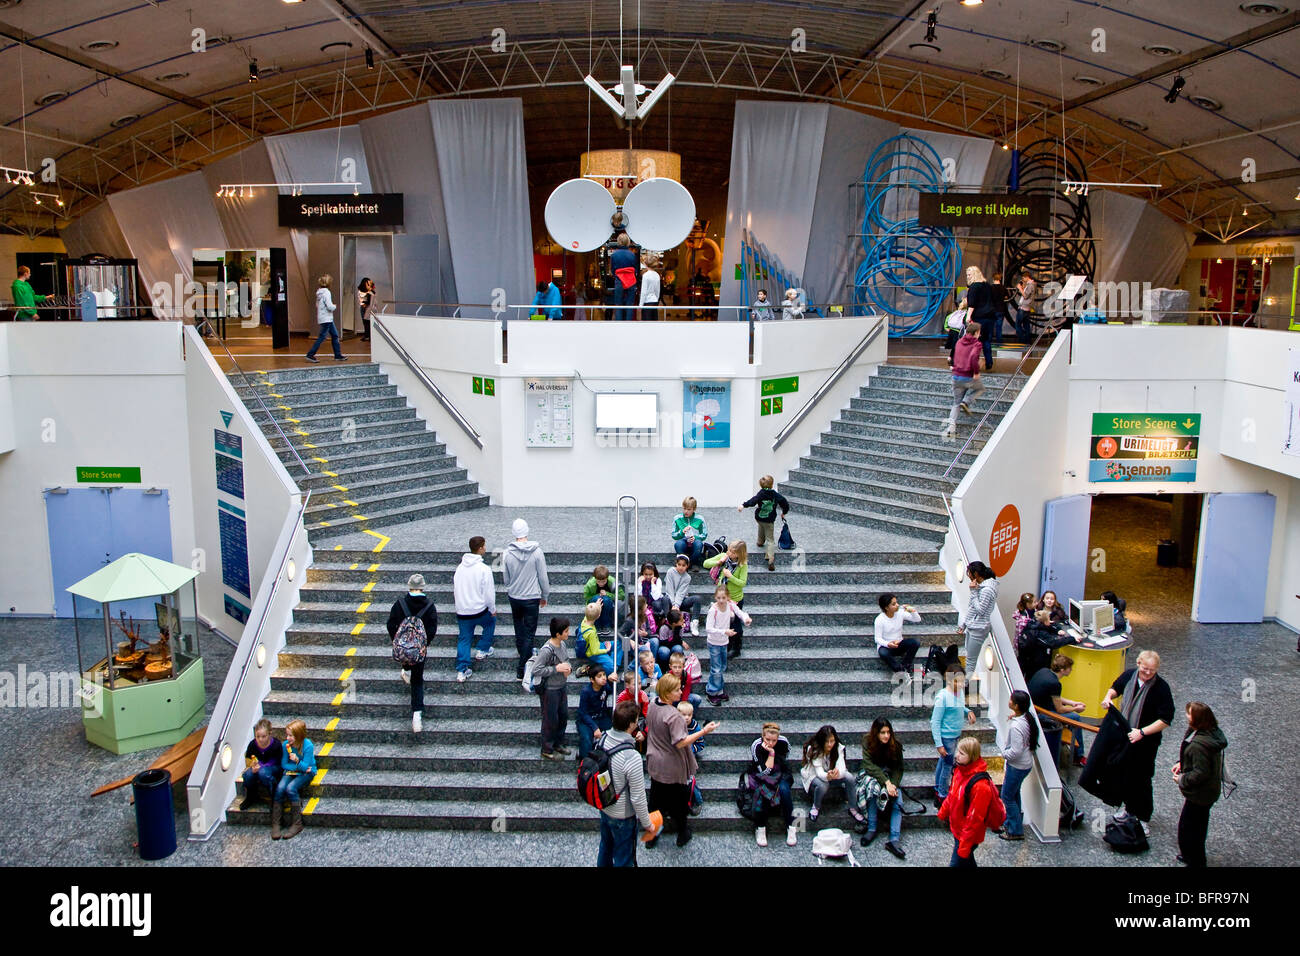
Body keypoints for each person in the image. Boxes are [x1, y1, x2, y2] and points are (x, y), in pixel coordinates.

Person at [1101, 650, 1174, 833]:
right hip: (1126, 735)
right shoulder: (1130, 675)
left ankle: (1142, 817)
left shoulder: (1161, 688)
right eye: (1145, 669)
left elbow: (1165, 719)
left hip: (1146, 742)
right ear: (1138, 663)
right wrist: (1108, 697)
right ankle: (1128, 809)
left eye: (1152, 670)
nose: (1148, 673)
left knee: (1142, 778)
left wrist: (1142, 732)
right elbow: (1115, 687)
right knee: (1125, 774)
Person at [645, 674, 718, 848]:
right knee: (678, 803)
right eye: (677, 689)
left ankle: (652, 834)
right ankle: (683, 833)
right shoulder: (673, 715)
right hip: (671, 765)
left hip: (655, 761)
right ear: (668, 693)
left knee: (655, 801)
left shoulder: (653, 705)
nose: (680, 692)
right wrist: (704, 732)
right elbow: (680, 742)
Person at [596, 700, 657, 866]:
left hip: (605, 805)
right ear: (631, 725)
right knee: (624, 858)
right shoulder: (632, 756)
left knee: (605, 847)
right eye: (637, 720)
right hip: (622, 814)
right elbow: (637, 796)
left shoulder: (603, 739)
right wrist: (648, 824)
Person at [1173, 701, 1227, 867]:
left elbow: (1200, 773)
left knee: (1189, 829)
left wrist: (1182, 779)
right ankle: (1192, 857)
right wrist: (1183, 763)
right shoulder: (1210, 734)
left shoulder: (1199, 745)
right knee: (1197, 825)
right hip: (1208, 792)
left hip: (1199, 794)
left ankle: (1195, 860)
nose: (1186, 716)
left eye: (1189, 714)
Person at [386, 572, 438, 732]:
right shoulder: (429, 605)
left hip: (403, 647)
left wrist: (398, 641)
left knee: (406, 659)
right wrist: (424, 644)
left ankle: (405, 669)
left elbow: (390, 624)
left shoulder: (400, 603)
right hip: (419, 649)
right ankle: (417, 713)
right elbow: (432, 628)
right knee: (418, 679)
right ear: (422, 587)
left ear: (409, 586)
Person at [937, 737, 1001, 867]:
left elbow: (975, 820)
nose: (956, 755)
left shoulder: (981, 786)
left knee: (958, 862)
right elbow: (952, 795)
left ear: (971, 756)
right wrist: (943, 811)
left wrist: (965, 846)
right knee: (967, 862)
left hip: (968, 836)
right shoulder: (960, 771)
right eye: (958, 751)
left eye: (962, 753)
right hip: (959, 830)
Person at [503, 518, 549, 680]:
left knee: (519, 627)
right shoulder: (537, 552)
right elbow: (543, 577)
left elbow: (506, 578)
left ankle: (523, 653)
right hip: (531, 597)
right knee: (529, 632)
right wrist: (545, 595)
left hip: (514, 596)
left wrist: (510, 587)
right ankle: (522, 667)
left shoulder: (507, 553)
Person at [1029, 653, 1087, 767]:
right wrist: (1076, 708)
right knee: (1076, 718)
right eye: (1069, 668)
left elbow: (1055, 697)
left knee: (1072, 715)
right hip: (1041, 713)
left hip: (1035, 707)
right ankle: (1078, 756)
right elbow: (1059, 709)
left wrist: (1072, 703)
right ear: (1062, 670)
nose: (1071, 670)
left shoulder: (1045, 671)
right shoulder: (1055, 683)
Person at [799, 725, 865, 826]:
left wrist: (836, 773)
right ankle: (816, 806)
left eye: (832, 741)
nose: (830, 744)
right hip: (814, 776)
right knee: (823, 785)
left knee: (850, 778)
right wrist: (828, 776)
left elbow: (842, 767)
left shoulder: (838, 747)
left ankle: (853, 808)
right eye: (827, 741)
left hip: (832, 774)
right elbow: (819, 772)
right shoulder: (813, 749)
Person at [860, 717, 907, 857]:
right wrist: (886, 782)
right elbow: (869, 765)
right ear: (876, 733)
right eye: (882, 732)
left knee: (898, 801)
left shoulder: (895, 745)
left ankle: (894, 839)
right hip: (872, 774)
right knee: (873, 791)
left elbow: (899, 769)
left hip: (890, 777)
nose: (886, 736)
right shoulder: (867, 741)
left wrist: (893, 785)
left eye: (888, 732)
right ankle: (872, 828)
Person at [452, 536, 496, 683]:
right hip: (479, 610)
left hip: (463, 611)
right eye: (484, 546)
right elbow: (489, 593)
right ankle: (482, 649)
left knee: (464, 639)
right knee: (490, 623)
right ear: (481, 548)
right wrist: (492, 608)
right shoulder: (484, 569)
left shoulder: (460, 568)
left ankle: (462, 670)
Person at [931, 666, 976, 807]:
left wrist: (968, 711)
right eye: (957, 682)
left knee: (943, 762)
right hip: (947, 737)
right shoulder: (942, 697)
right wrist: (939, 744)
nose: (961, 685)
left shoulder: (960, 692)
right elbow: (935, 721)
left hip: (955, 735)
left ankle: (937, 789)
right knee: (947, 766)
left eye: (962, 682)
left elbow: (959, 705)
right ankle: (942, 795)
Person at [748, 722, 798, 847]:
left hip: (780, 772)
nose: (771, 743)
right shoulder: (756, 746)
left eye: (774, 740)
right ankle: (761, 828)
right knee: (764, 792)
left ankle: (791, 827)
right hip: (762, 774)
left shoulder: (783, 742)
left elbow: (785, 758)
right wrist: (771, 753)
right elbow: (764, 771)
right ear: (762, 737)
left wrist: (774, 755)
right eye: (767, 739)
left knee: (784, 790)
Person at [999, 690, 1040, 841]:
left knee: (1007, 796)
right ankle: (1012, 823)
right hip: (1025, 764)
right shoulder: (1027, 719)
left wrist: (1004, 754)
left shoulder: (1016, 727)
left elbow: (1015, 751)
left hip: (1017, 765)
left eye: (1011, 700)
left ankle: (1015, 830)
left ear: (1016, 705)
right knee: (1014, 794)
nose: (1009, 701)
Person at [534, 617, 573, 760]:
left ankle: (558, 743)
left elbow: (566, 660)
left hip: (561, 686)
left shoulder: (562, 645)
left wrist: (568, 668)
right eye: (566, 631)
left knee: (563, 716)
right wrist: (556, 669)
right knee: (550, 719)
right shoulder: (547, 650)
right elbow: (536, 669)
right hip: (550, 689)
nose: (568, 633)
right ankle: (547, 748)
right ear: (558, 633)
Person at [705, 584, 750, 705]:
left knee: (722, 667)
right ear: (715, 597)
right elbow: (708, 628)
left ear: (727, 597)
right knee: (716, 669)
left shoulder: (730, 606)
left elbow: (740, 613)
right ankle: (711, 692)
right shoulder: (713, 610)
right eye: (718, 598)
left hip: (724, 642)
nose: (721, 600)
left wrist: (746, 619)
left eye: (723, 598)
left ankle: (718, 690)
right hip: (714, 642)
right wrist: (724, 631)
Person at [703, 540, 749, 658]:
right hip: (722, 597)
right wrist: (719, 561)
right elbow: (706, 563)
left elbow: (742, 583)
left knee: (735, 623)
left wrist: (731, 577)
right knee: (724, 622)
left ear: (739, 554)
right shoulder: (724, 557)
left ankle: (736, 647)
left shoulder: (742, 566)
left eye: (732, 552)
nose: (729, 553)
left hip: (735, 599)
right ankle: (727, 645)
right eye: (729, 550)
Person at [273, 719, 316, 840]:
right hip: (294, 771)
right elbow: (284, 764)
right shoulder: (285, 745)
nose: (288, 738)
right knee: (280, 788)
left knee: (291, 788)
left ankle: (297, 823)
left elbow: (308, 766)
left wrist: (297, 761)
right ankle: (276, 823)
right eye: (287, 735)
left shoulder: (308, 746)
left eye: (291, 735)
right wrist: (298, 766)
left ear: (298, 735)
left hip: (308, 772)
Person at [738, 475, 790, 572]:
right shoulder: (775, 495)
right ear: (772, 484)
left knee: (761, 527)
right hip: (769, 520)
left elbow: (753, 501)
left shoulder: (761, 494)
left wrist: (743, 505)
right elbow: (784, 502)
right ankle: (770, 559)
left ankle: (760, 541)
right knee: (770, 540)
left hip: (759, 518)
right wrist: (784, 512)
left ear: (761, 485)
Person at [942, 322, 985, 439]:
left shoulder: (959, 341)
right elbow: (973, 358)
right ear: (976, 333)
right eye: (979, 332)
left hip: (956, 376)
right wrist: (976, 372)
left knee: (956, 403)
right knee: (980, 389)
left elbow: (955, 355)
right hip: (968, 376)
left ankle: (951, 427)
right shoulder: (977, 344)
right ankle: (966, 401)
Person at [957, 560, 998, 680]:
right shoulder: (981, 587)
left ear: (975, 574)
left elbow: (981, 610)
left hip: (978, 628)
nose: (968, 576)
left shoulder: (987, 590)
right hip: (972, 626)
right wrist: (964, 625)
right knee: (969, 657)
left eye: (969, 573)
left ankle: (965, 684)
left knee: (971, 661)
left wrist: (974, 592)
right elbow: (972, 608)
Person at [1018, 608, 1077, 680]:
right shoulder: (1039, 633)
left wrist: (1058, 630)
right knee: (1033, 678)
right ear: (1045, 622)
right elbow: (1053, 643)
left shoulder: (1033, 623)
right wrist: (1072, 639)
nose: (1050, 621)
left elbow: (1051, 625)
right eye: (1048, 619)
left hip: (1026, 658)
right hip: (1034, 663)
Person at [959, 266, 998, 370]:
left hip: (978, 317)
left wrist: (968, 317)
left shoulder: (974, 286)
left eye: (969, 275)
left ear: (974, 275)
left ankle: (972, 363)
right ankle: (989, 362)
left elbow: (972, 304)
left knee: (974, 341)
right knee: (986, 341)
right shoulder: (988, 286)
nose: (967, 277)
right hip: (990, 317)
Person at [240, 718, 283, 809]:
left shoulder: (276, 745)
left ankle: (274, 797)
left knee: (263, 773)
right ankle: (251, 796)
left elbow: (279, 762)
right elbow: (248, 760)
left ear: (269, 734)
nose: (260, 739)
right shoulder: (252, 745)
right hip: (258, 767)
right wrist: (252, 766)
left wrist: (263, 767)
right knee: (247, 775)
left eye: (263, 736)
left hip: (273, 767)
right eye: (258, 736)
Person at [874, 592, 921, 675]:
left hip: (899, 643)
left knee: (915, 642)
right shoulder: (880, 619)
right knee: (883, 653)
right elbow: (877, 639)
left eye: (896, 602)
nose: (897, 605)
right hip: (887, 646)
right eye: (894, 604)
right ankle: (899, 670)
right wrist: (888, 644)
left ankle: (906, 665)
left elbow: (917, 619)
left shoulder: (900, 613)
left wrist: (913, 611)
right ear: (886, 608)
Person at [576, 665, 613, 761]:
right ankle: (585, 763)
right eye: (599, 676)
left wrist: (610, 680)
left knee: (611, 735)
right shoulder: (586, 692)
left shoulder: (605, 687)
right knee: (586, 738)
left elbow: (611, 688)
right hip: (586, 719)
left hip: (602, 717)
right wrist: (594, 727)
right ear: (592, 680)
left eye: (604, 675)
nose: (603, 678)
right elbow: (583, 713)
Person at [305, 274, 345, 362]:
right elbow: (329, 306)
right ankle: (310, 354)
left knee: (334, 335)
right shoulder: (327, 292)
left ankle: (337, 355)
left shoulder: (319, 293)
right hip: (327, 318)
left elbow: (317, 305)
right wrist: (335, 306)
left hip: (323, 318)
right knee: (323, 337)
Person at [576, 601, 616, 678]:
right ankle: (590, 669)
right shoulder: (591, 633)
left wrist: (597, 606)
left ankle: (612, 662)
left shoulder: (585, 620)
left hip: (597, 645)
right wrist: (607, 650)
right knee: (611, 667)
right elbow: (595, 651)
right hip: (593, 653)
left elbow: (590, 612)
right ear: (598, 616)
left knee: (618, 643)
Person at [664, 554, 699, 637]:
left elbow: (681, 592)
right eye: (679, 564)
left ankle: (694, 622)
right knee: (664, 599)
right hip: (670, 599)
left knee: (697, 599)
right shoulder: (670, 571)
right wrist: (673, 604)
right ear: (676, 564)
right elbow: (670, 589)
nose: (681, 567)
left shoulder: (687, 577)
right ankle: (667, 620)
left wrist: (676, 605)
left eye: (683, 565)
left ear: (687, 566)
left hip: (681, 601)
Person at [582, 564, 625, 633]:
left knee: (606, 600)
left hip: (609, 604)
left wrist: (607, 594)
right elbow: (587, 597)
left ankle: (606, 625)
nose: (601, 584)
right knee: (598, 598)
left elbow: (622, 596)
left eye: (604, 581)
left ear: (607, 578)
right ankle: (597, 625)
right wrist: (597, 597)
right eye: (598, 581)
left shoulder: (612, 582)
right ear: (595, 578)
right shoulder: (590, 584)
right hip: (594, 603)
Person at [671, 496, 708, 567]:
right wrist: (682, 532)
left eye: (689, 509)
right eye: (684, 509)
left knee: (699, 545)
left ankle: (692, 563)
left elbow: (704, 534)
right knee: (678, 545)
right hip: (683, 540)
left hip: (695, 541)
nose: (686, 511)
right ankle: (683, 563)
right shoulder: (677, 518)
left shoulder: (700, 519)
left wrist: (696, 537)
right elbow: (674, 535)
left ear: (694, 509)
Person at [609, 233, 639, 319]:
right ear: (628, 242)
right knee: (630, 304)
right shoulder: (632, 255)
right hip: (631, 281)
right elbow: (635, 269)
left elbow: (612, 270)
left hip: (619, 280)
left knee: (618, 304)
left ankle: (619, 324)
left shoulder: (614, 255)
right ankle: (628, 324)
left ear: (618, 242)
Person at [668, 650, 703, 715]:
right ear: (670, 666)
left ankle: (689, 717)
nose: (677, 670)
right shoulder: (668, 676)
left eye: (679, 667)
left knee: (697, 699)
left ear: (684, 666)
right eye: (675, 667)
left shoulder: (687, 676)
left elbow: (686, 691)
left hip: (682, 696)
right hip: (671, 698)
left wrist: (683, 705)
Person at [989, 271, 1012, 348]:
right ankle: (999, 343)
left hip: (992, 310)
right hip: (1001, 309)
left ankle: (989, 342)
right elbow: (1006, 297)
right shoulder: (1003, 288)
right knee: (999, 327)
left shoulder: (990, 288)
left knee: (991, 327)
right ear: (1000, 279)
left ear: (993, 279)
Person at [1014, 273, 1036, 344]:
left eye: (1023, 278)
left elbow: (1025, 296)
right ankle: (1027, 341)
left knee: (1018, 325)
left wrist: (1020, 288)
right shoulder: (1030, 285)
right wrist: (1023, 287)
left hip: (1023, 308)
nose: (1023, 279)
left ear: (1027, 277)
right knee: (1026, 326)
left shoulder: (1031, 285)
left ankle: (1022, 340)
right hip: (1026, 307)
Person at [639, 255, 661, 321]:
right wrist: (657, 298)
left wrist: (640, 305)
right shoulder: (657, 275)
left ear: (646, 264)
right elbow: (658, 290)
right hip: (654, 301)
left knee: (646, 323)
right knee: (654, 321)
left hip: (647, 302)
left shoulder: (645, 276)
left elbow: (644, 292)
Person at [356, 276, 375, 341]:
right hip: (364, 308)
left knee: (367, 322)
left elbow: (368, 301)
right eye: (368, 284)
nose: (370, 286)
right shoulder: (361, 292)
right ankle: (367, 335)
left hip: (368, 308)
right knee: (366, 322)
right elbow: (361, 300)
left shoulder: (370, 292)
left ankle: (368, 336)